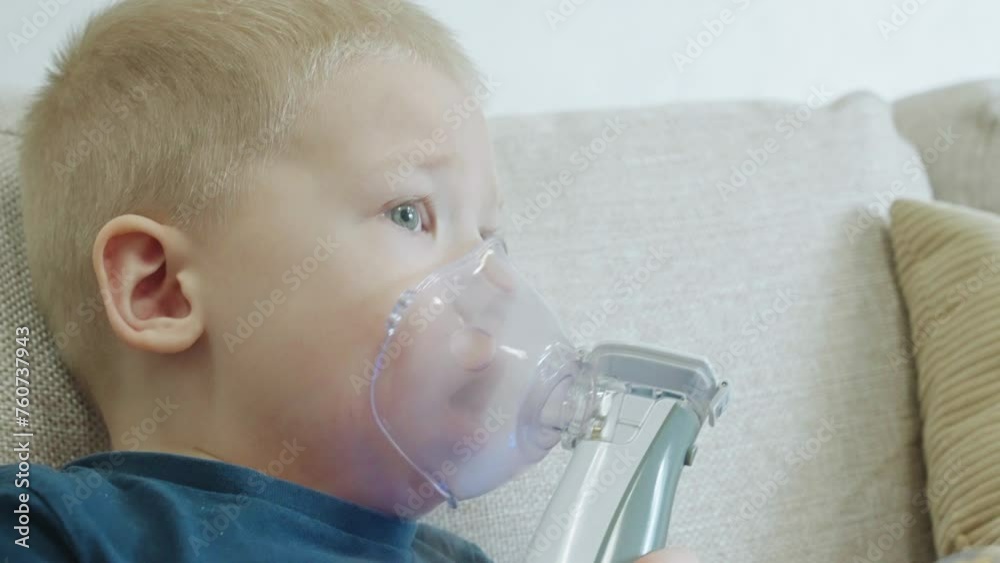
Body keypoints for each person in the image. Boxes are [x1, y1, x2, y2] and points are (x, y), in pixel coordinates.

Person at [2, 1, 699, 561]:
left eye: (488, 242)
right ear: (162, 288)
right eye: (410, 213)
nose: (500, 288)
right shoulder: (52, 524)